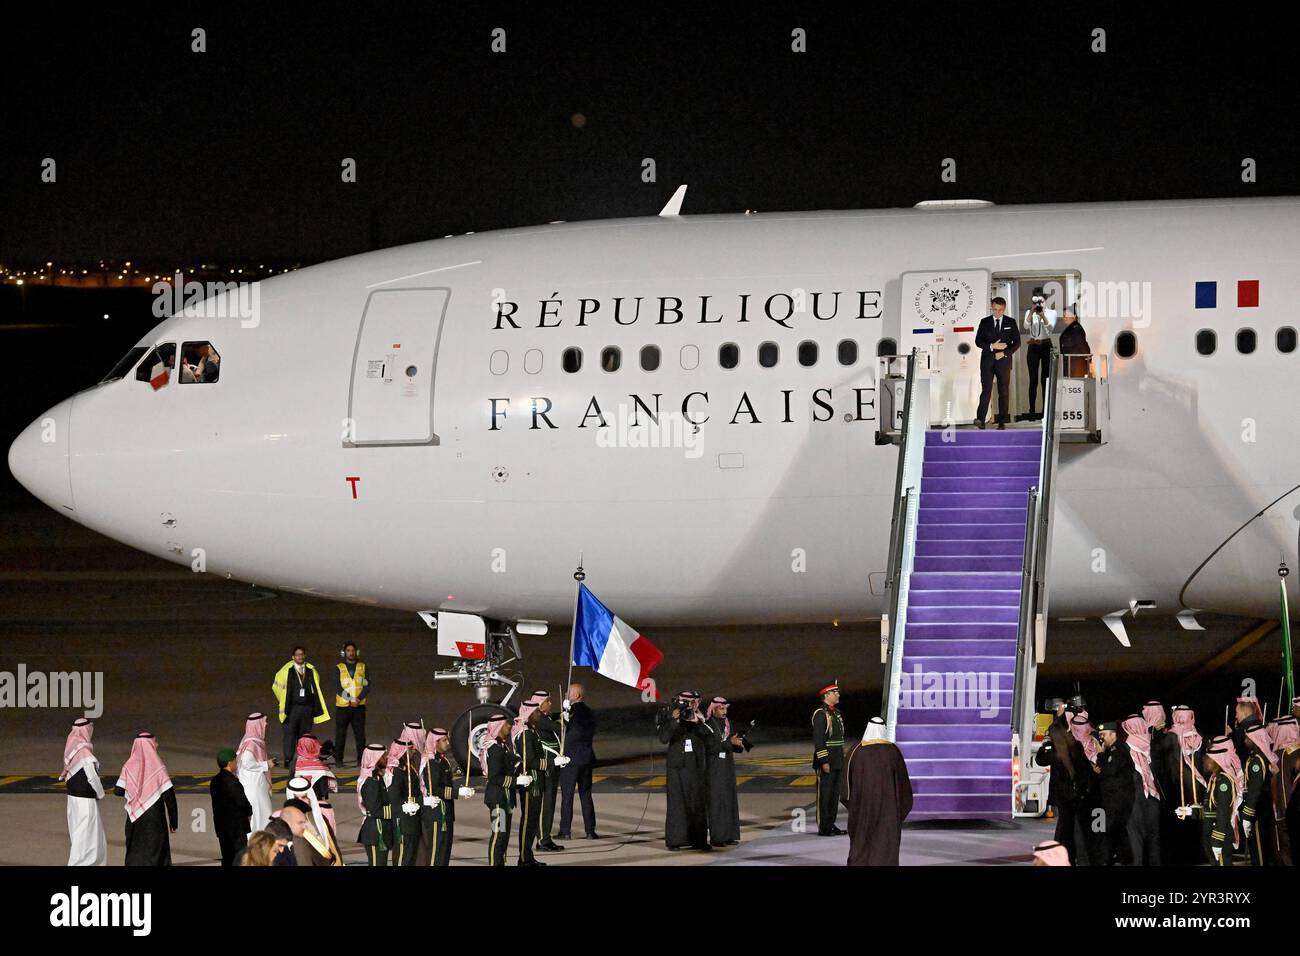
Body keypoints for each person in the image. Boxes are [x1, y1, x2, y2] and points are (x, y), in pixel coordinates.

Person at [839, 717, 912, 865]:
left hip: (862, 811)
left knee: (861, 845)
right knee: (886, 845)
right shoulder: (893, 751)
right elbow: (904, 785)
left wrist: (854, 807)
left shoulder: (856, 750)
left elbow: (846, 785)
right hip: (889, 813)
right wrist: (898, 812)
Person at [115, 732, 178, 866]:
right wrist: (174, 822)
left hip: (135, 816)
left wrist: (136, 792)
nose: (157, 744)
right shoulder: (159, 767)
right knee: (156, 849)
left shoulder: (128, 766)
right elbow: (170, 797)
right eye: (155, 742)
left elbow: (118, 791)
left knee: (135, 848)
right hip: (155, 817)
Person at [659, 690, 710, 851]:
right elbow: (663, 738)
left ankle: (699, 841)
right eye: (687, 702)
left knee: (697, 804)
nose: (690, 705)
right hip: (676, 767)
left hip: (695, 766)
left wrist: (698, 721)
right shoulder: (668, 714)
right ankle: (675, 840)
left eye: (694, 702)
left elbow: (710, 738)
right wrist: (675, 720)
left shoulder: (701, 717)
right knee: (676, 804)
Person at [272, 645, 330, 775]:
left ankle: (303, 757)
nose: (300, 657)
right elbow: (276, 688)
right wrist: (283, 701)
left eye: (302, 654)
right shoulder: (286, 671)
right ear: (293, 657)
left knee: (305, 735)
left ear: (305, 656)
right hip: (292, 709)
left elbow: (316, 686)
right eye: (297, 655)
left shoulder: (311, 670)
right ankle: (288, 759)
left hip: (306, 709)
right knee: (290, 735)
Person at [1164, 705, 1208, 865]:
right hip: (1192, 789)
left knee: (1183, 826)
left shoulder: (1170, 737)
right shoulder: (1201, 737)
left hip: (1178, 788)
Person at [61, 717, 107, 866]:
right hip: (85, 802)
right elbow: (93, 778)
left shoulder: (72, 748)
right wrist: (101, 794)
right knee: (87, 836)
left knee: (78, 834)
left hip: (73, 800)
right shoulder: (84, 752)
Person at [702, 696, 746, 847]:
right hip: (715, 770)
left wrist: (738, 744)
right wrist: (729, 743)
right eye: (721, 708)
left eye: (726, 708)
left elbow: (729, 744)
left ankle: (729, 835)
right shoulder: (708, 725)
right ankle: (717, 837)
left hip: (727, 768)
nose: (724, 711)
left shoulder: (726, 724)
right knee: (717, 802)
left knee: (729, 801)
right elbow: (711, 747)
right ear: (713, 709)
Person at [973, 296, 1021, 429]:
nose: (997, 312)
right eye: (995, 309)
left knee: (1003, 391)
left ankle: (1001, 422)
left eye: (1000, 310)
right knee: (986, 390)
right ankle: (981, 419)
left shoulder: (1011, 322)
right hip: (987, 361)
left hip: (1004, 361)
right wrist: (991, 346)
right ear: (991, 308)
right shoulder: (984, 322)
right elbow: (978, 341)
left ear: (1004, 309)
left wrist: (1004, 353)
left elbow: (1017, 343)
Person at [1121, 714, 1163, 865]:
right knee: (1154, 838)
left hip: (1134, 799)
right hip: (1153, 798)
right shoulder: (1154, 746)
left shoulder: (1124, 748)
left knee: (1135, 837)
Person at [557, 683, 597, 840]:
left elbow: (571, 734)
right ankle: (590, 830)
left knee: (567, 796)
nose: (566, 693)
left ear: (577, 695)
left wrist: (565, 716)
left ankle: (565, 830)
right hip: (586, 758)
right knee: (586, 795)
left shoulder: (571, 713)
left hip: (571, 759)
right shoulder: (590, 712)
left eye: (569, 692)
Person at [481, 712, 518, 866]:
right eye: (506, 724)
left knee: (504, 835)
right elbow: (495, 777)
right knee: (498, 836)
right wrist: (516, 781)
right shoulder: (495, 749)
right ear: (499, 727)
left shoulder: (501, 746)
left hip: (504, 799)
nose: (510, 726)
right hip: (498, 800)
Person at [531, 691, 566, 852]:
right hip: (547, 767)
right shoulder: (540, 720)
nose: (551, 704)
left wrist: (562, 713)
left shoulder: (543, 717)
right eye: (547, 701)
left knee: (550, 802)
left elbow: (552, 718)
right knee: (546, 803)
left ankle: (545, 837)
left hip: (552, 766)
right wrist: (564, 719)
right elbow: (558, 728)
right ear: (540, 705)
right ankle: (542, 839)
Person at [1196, 739, 1241, 866]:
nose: (1205, 761)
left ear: (1216, 761)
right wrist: (1192, 811)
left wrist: (1217, 840)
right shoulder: (1214, 779)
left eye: (1208, 758)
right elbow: (1210, 809)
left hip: (1219, 834)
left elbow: (1222, 812)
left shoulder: (1223, 782)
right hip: (1212, 832)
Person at [514, 699, 547, 866]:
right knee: (528, 820)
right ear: (529, 714)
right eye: (536, 712)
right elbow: (530, 760)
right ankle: (523, 857)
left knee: (533, 820)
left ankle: (528, 855)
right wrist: (550, 763)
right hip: (530, 782)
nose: (539, 714)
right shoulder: (525, 733)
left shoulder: (531, 731)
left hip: (536, 780)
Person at [1095, 721, 1134, 865]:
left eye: (1104, 735)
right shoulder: (1111, 751)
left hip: (1118, 801)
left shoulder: (1119, 750)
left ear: (1113, 734)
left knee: (1108, 831)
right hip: (1110, 800)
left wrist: (1100, 756)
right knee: (1116, 833)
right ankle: (1124, 859)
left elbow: (1110, 771)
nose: (1102, 739)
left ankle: (1108, 860)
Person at [423, 728, 463, 866]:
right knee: (436, 852)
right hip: (436, 815)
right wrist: (457, 793)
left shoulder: (443, 761)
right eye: (444, 740)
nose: (448, 743)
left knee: (445, 852)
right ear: (435, 742)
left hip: (446, 813)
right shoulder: (431, 763)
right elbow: (435, 789)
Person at [1242, 723, 1279, 865]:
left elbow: (1255, 790)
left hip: (1258, 809)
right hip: (1261, 807)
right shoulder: (1256, 758)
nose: (1245, 741)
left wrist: (1247, 814)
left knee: (1259, 849)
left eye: (1248, 738)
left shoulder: (1257, 761)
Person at [812, 681, 846, 836]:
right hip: (827, 761)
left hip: (837, 760)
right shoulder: (821, 714)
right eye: (835, 692)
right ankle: (824, 827)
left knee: (834, 795)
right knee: (825, 795)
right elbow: (819, 741)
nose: (838, 694)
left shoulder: (835, 713)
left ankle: (831, 824)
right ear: (827, 695)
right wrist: (824, 761)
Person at [210, 748, 254, 866]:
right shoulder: (232, 781)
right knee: (240, 858)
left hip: (221, 826)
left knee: (227, 856)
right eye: (235, 760)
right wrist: (249, 811)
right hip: (236, 827)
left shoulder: (214, 781)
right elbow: (242, 801)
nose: (237, 763)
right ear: (230, 763)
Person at [284, 779, 342, 866]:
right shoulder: (286, 827)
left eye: (304, 797)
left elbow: (334, 847)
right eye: (296, 798)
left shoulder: (321, 819)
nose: (300, 802)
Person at [235, 712, 275, 833]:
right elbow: (247, 763)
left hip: (254, 786)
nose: (266, 724)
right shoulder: (251, 744)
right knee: (259, 818)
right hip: (254, 789)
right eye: (264, 722)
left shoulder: (251, 741)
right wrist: (266, 765)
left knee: (261, 817)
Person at [1020, 289, 1056, 419]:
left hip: (1046, 345)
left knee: (1045, 379)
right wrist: (1031, 311)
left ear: (1045, 300)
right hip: (1033, 346)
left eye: (1041, 300)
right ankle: (1032, 411)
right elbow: (1025, 326)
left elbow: (1051, 328)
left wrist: (1042, 316)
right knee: (1033, 380)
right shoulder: (1030, 312)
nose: (1039, 303)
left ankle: (1045, 411)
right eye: (1036, 300)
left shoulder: (1052, 313)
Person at [333, 641, 369, 767]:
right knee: (340, 735)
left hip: (359, 707)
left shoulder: (362, 667)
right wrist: (350, 699)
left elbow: (366, 686)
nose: (351, 653)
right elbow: (337, 687)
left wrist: (358, 699)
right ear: (344, 653)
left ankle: (361, 760)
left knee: (360, 736)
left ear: (356, 652)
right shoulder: (339, 668)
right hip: (343, 707)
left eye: (353, 650)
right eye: (348, 650)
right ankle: (338, 760)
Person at [387, 746, 424, 866]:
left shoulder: (409, 766)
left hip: (413, 818)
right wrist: (404, 806)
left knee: (411, 856)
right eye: (410, 749)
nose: (413, 751)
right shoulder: (398, 770)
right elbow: (393, 797)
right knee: (403, 857)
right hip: (403, 821)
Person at [356, 743, 392, 866]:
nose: (386, 758)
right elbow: (376, 809)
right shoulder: (370, 782)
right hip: (375, 832)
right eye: (383, 756)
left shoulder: (377, 778)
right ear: (375, 759)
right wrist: (399, 811)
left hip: (381, 830)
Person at [1058, 304, 1091, 376]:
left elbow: (1083, 347)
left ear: (1074, 316)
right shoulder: (1070, 329)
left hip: (1075, 367)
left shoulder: (1076, 329)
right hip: (1069, 367)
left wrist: (1088, 361)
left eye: (1067, 315)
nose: (1065, 318)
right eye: (1064, 316)